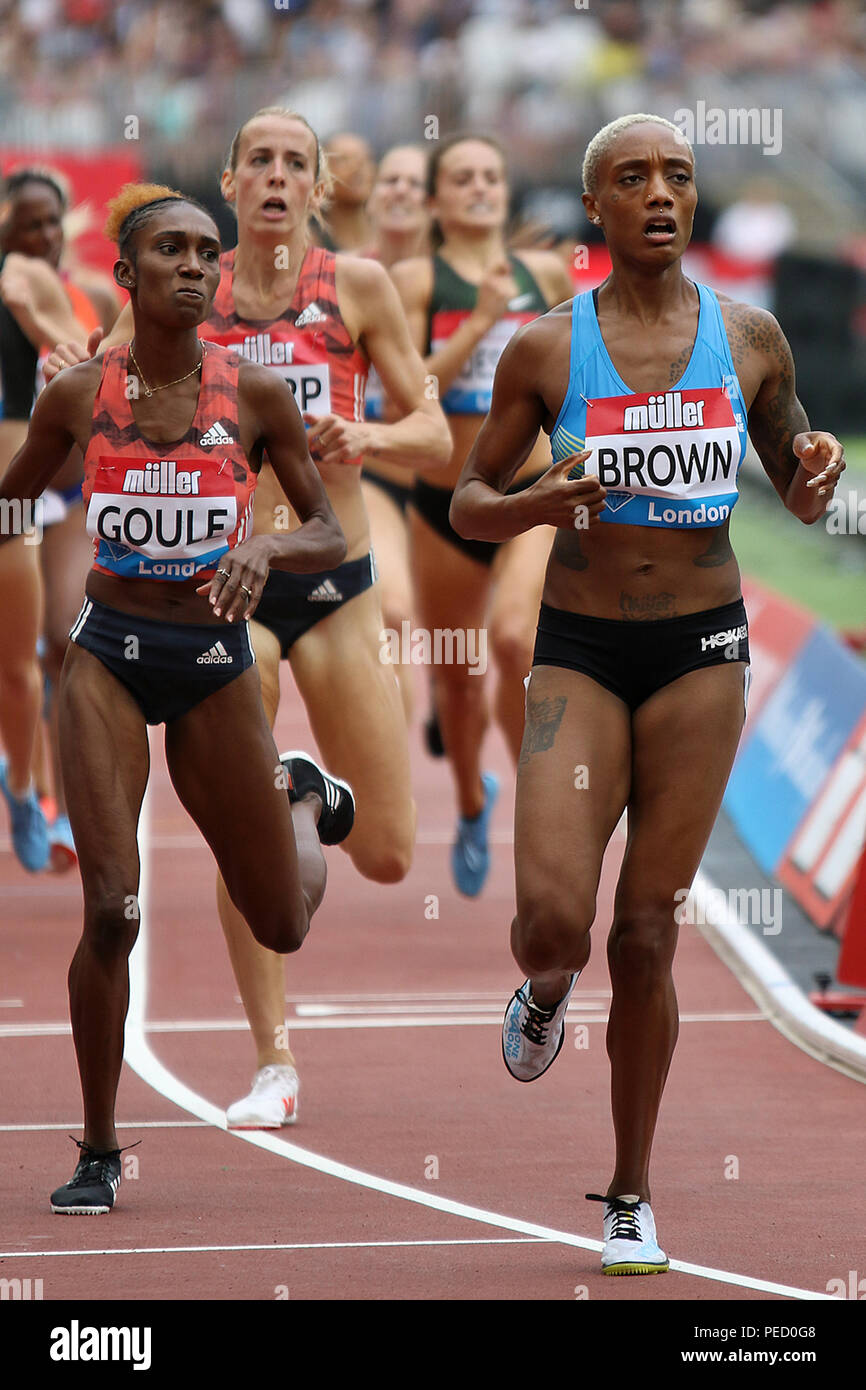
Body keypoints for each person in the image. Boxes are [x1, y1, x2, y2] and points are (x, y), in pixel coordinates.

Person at [449, 113, 845, 1275]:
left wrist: (815, 474)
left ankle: (627, 1191)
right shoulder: (542, 348)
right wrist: (540, 504)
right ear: (598, 207)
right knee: (553, 926)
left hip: (701, 652)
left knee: (645, 929)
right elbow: (473, 503)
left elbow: (799, 483)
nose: (661, 193)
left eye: (676, 174)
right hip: (579, 647)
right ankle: (540, 991)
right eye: (633, 178)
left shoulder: (750, 337)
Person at [46, 109, 451, 1131]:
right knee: (242, 801)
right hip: (220, 596)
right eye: (258, 161)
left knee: (393, 851)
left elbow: (436, 432)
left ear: (316, 189)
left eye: (294, 165)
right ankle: (274, 1056)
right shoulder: (180, 285)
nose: (275, 177)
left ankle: (309, 797)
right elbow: (101, 396)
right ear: (229, 183)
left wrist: (364, 429)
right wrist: (69, 380)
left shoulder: (356, 288)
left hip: (331, 575)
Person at [1, 182, 350, 1213]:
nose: (197, 266)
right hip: (106, 654)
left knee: (280, 922)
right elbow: (15, 493)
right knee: (112, 909)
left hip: (211, 668)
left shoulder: (255, 397)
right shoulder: (78, 395)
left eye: (209, 252)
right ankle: (100, 1147)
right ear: (127, 275)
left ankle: (295, 795)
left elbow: (327, 531)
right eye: (173, 251)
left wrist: (267, 544)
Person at [391, 133, 574, 896]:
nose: (479, 188)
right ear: (435, 200)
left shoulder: (550, 274)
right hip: (446, 504)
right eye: (461, 178)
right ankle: (472, 801)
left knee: (512, 642)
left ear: (506, 192)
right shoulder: (413, 278)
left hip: (530, 498)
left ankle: (539, 799)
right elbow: (408, 393)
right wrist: (479, 321)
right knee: (457, 676)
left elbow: (578, 378)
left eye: (491, 176)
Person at [1, 167, 121, 870]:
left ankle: (65, 810)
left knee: (62, 641)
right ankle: (30, 787)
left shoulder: (89, 292)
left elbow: (99, 369)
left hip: (73, 493)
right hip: (20, 491)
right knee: (23, 655)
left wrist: (47, 329)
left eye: (52, 223)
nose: (44, 238)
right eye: (27, 225)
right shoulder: (10, 277)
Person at [0, 202, 88, 871]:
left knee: (27, 662)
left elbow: (89, 363)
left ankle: (30, 795)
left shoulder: (26, 281)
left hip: (17, 502)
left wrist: (32, 314)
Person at [361, 143, 432, 720]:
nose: (403, 191)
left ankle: (468, 779)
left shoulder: (465, 281)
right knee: (394, 612)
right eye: (392, 179)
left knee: (475, 654)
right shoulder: (341, 278)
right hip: (378, 478)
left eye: (416, 182)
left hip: (454, 485)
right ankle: (395, 787)